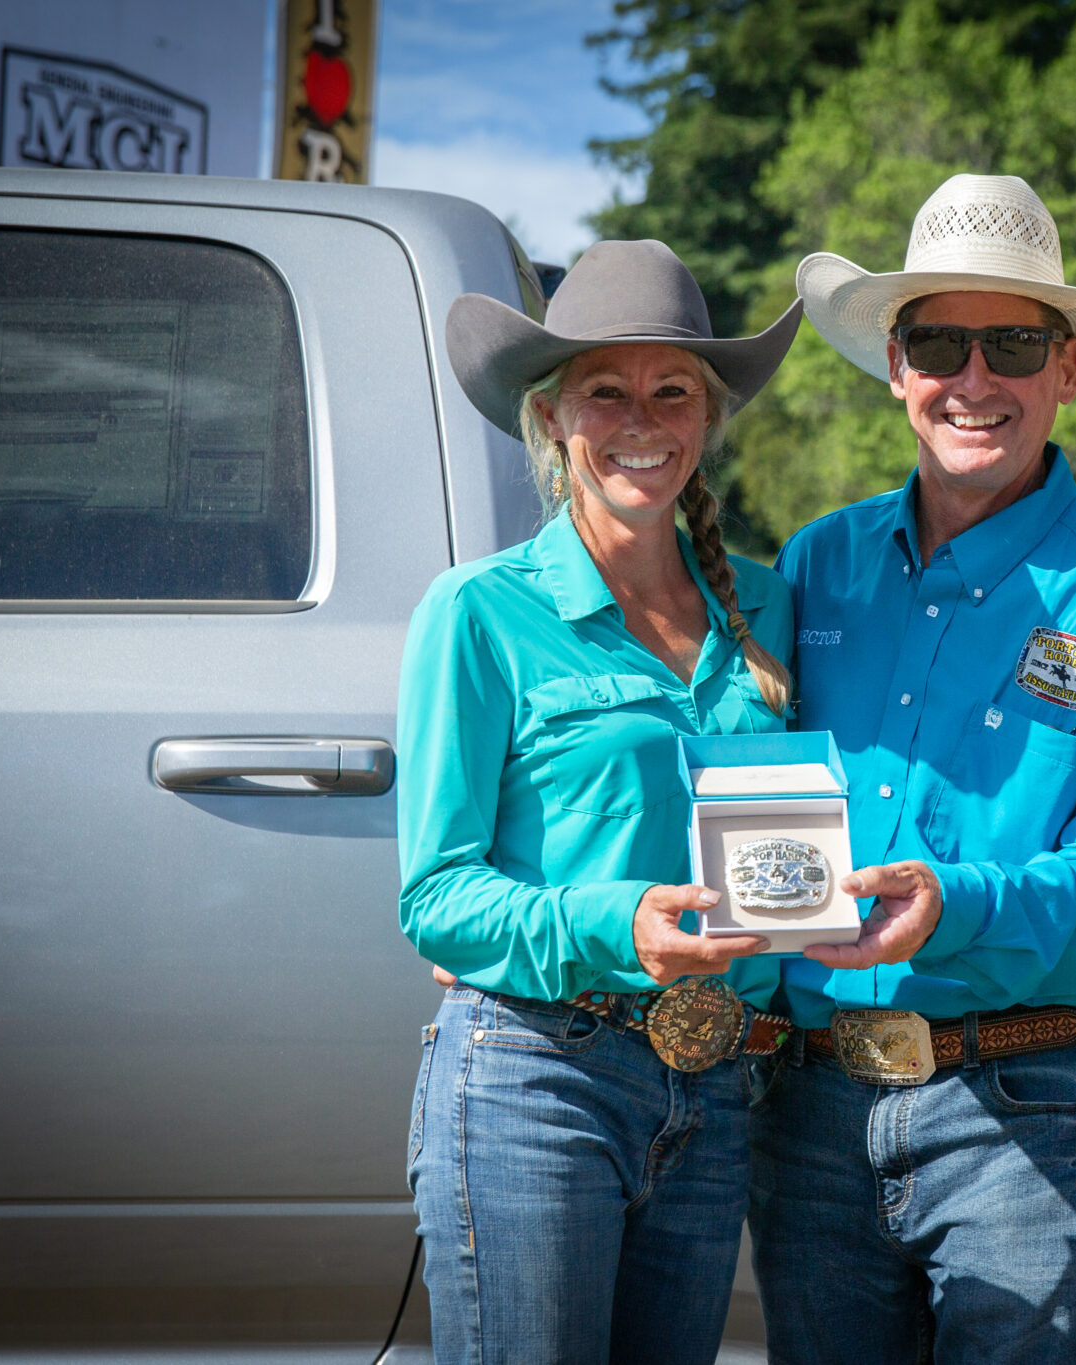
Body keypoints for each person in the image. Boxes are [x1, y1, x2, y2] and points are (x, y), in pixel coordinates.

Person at [748, 174, 1076, 1364]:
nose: (974, 380)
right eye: (939, 342)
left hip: (1022, 1113)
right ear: (897, 367)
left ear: (1065, 369)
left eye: (1012, 341)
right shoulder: (815, 561)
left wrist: (953, 908)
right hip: (804, 1109)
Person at [400, 239, 802, 1365]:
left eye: (672, 391)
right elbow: (436, 899)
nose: (642, 418)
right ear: (550, 417)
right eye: (604, 391)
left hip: (718, 1090)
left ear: (707, 418)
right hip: (538, 1080)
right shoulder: (478, 612)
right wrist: (610, 922)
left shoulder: (766, 603)